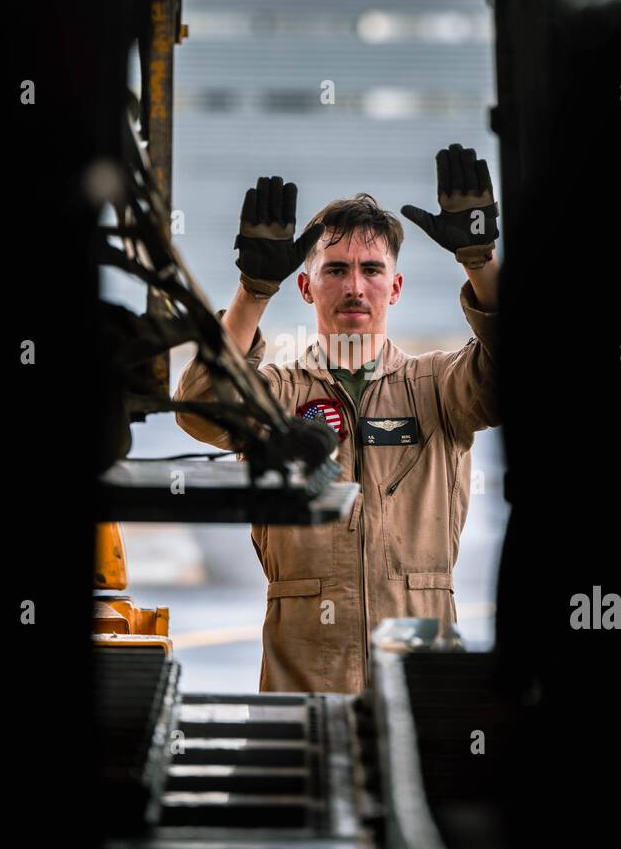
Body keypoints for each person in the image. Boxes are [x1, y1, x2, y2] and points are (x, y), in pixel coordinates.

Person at [173, 143, 501, 693]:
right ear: (305, 286)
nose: (354, 286)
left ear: (395, 287)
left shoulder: (440, 387)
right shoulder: (275, 396)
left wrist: (480, 261)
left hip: (422, 679)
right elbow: (201, 407)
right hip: (302, 677)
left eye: (372, 269)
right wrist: (253, 292)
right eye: (336, 270)